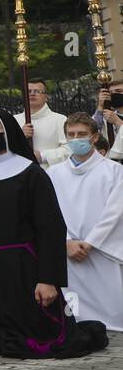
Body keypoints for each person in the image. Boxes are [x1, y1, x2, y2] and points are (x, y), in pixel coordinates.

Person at [0, 108, 107, 359]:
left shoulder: (30, 174)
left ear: (7, 132)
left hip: (25, 268)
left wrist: (49, 279)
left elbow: (50, 229)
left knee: (37, 335)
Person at [46, 113, 123, 331]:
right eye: (71, 135)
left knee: (113, 309)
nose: (76, 139)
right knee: (74, 312)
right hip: (68, 251)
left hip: (102, 250)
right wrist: (67, 241)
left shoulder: (115, 171)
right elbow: (49, 214)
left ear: (94, 136)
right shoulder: (53, 173)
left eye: (82, 134)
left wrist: (90, 243)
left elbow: (116, 212)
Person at [14, 78, 69, 167]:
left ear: (46, 97)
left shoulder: (60, 120)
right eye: (28, 91)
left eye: (37, 91)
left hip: (49, 173)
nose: (32, 94)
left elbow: (69, 149)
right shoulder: (14, 120)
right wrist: (20, 137)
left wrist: (42, 156)